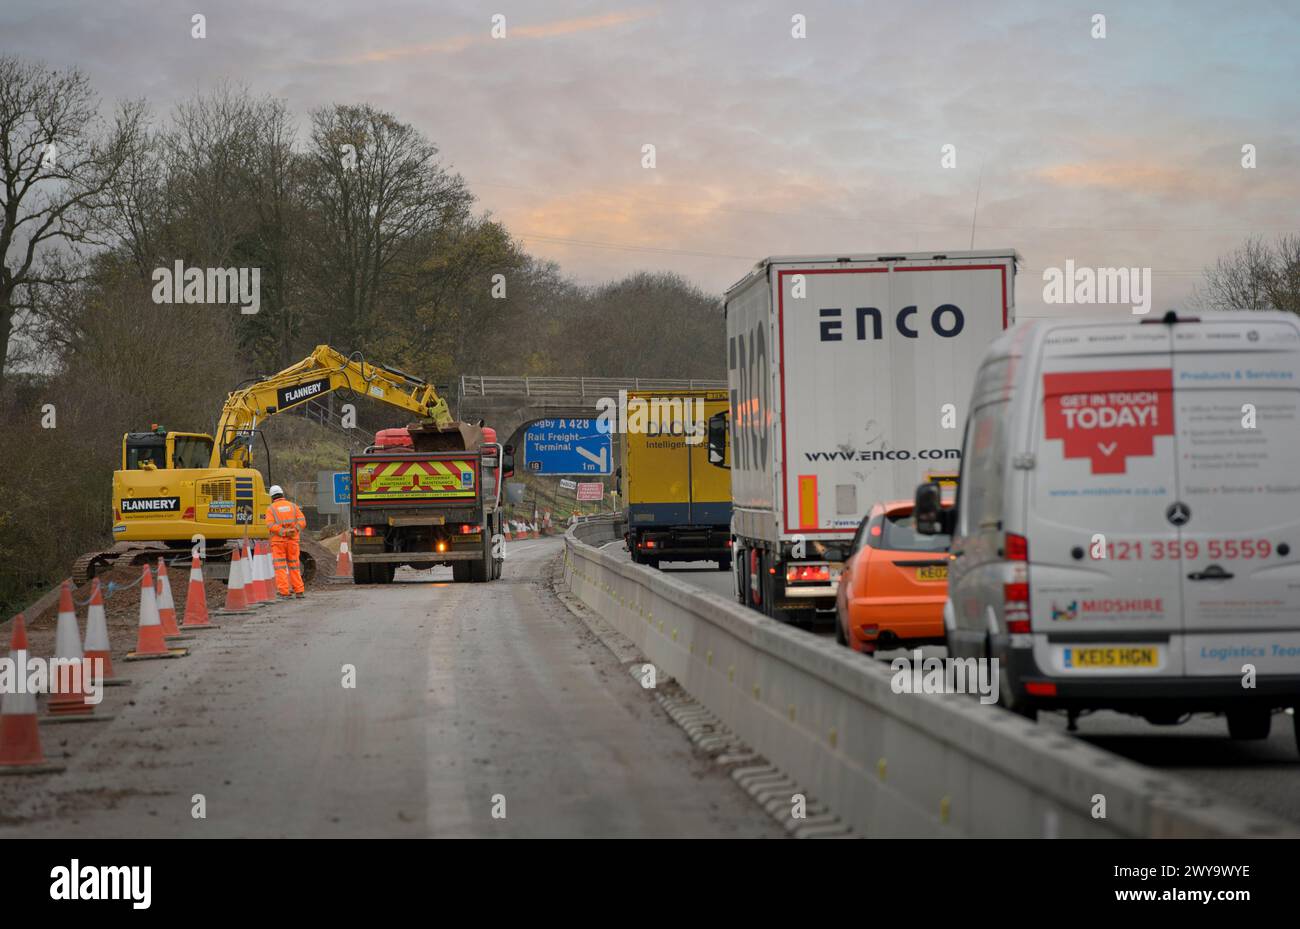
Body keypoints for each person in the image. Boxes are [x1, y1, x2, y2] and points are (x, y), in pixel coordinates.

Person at [264, 484, 307, 599]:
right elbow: (302, 521)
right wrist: (294, 530)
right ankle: (299, 591)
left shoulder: (271, 509)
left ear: (272, 497)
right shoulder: (293, 506)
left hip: (278, 542)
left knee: (280, 567)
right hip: (292, 542)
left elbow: (270, 525)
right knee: (294, 566)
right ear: (282, 494)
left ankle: (284, 592)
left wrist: (283, 532)